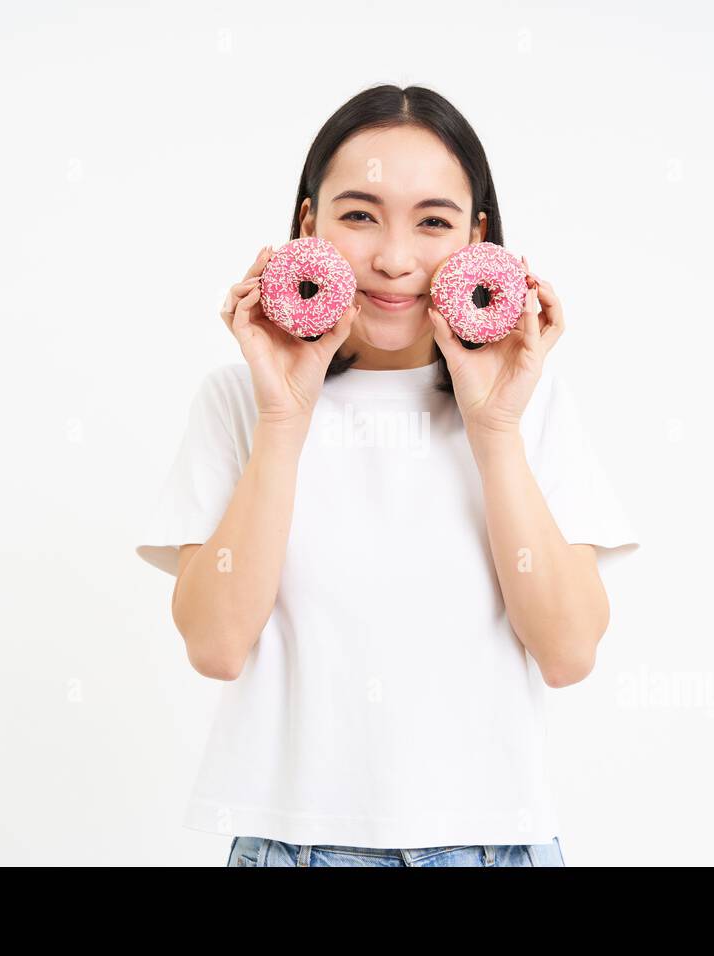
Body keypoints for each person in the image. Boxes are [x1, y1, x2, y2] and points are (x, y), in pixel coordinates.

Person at [137, 84, 639, 867]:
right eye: (359, 214)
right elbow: (215, 644)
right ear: (309, 224)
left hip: (494, 844)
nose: (395, 259)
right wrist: (285, 417)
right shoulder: (240, 400)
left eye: (433, 221)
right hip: (294, 848)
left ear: (478, 238)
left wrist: (494, 428)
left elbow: (570, 652)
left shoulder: (531, 407)